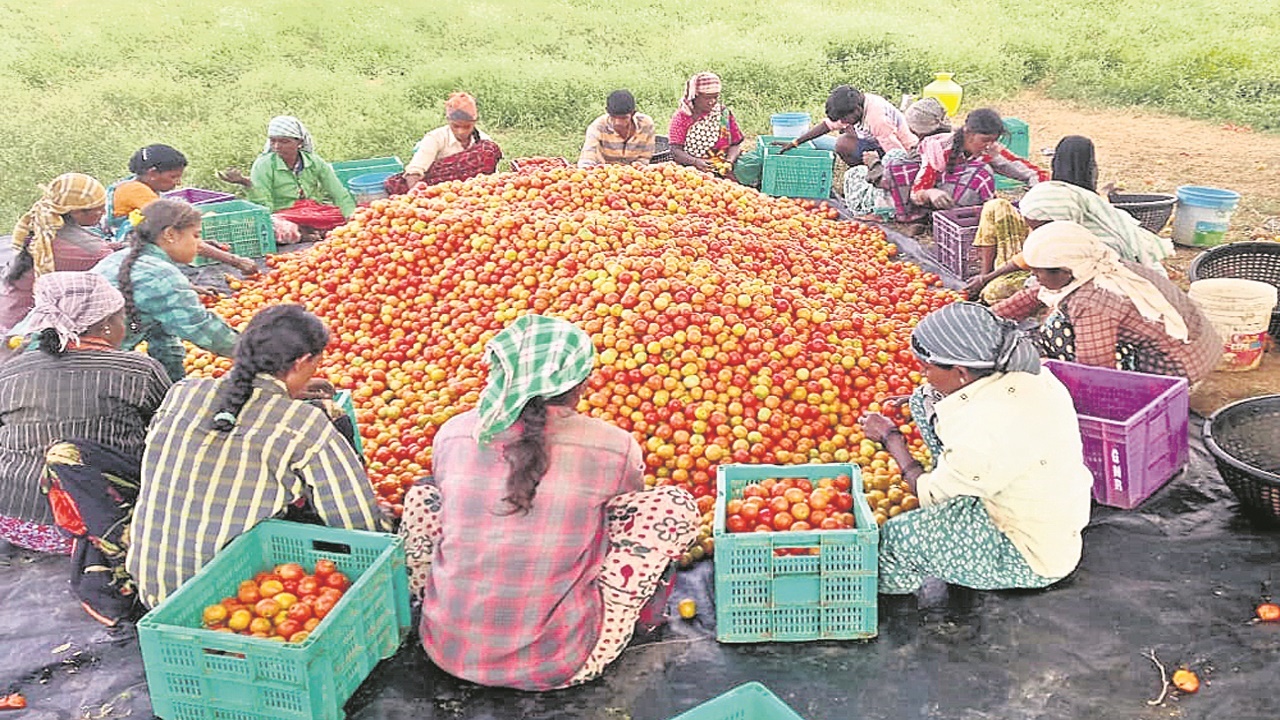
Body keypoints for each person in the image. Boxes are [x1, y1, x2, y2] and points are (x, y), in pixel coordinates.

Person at [403, 314, 698, 691]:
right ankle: (641, 615)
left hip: (447, 649)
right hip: (557, 663)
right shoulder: (613, 445)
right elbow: (629, 505)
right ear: (580, 384)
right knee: (671, 507)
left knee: (424, 495)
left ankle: (433, 605)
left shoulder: (455, 433)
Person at [125, 304, 388, 608]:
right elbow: (358, 526)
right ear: (302, 362)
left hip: (154, 591)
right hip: (235, 604)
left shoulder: (182, 393)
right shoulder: (304, 424)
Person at [859, 302, 1092, 594]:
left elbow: (927, 494)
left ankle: (889, 592)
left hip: (1027, 551)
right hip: (1034, 499)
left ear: (961, 373)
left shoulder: (984, 431)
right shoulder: (1030, 375)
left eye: (927, 368)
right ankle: (957, 487)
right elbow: (943, 403)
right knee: (923, 399)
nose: (922, 374)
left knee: (896, 538)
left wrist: (891, 438)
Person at [0, 272, 169, 624]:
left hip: (15, 520)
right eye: (122, 316)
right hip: (84, 526)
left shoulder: (10, 373)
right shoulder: (138, 370)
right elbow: (169, 435)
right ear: (107, 325)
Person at [992, 221, 1221, 382]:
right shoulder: (1098, 262)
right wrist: (986, 317)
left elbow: (1095, 369)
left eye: (1038, 272)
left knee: (1056, 328)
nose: (1035, 278)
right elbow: (1034, 294)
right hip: (1199, 348)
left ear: (1063, 272)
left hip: (1174, 369)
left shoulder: (1092, 301)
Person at [93, 199, 239, 381]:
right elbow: (204, 329)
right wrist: (265, 356)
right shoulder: (160, 275)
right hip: (95, 371)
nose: (199, 244)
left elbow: (164, 340)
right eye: (195, 235)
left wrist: (173, 387)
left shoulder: (119, 259)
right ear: (170, 234)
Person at [109, 145, 259, 273]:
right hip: (132, 252)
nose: (178, 182)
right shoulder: (136, 191)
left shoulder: (140, 185)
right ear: (152, 173)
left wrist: (200, 241)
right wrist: (236, 261)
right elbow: (178, 231)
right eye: (173, 177)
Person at [883, 108, 1048, 222]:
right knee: (980, 172)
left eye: (993, 140)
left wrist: (1037, 196)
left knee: (981, 170)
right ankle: (925, 219)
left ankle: (973, 219)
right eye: (984, 140)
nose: (990, 145)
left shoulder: (990, 150)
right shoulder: (938, 149)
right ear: (968, 133)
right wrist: (931, 193)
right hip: (936, 200)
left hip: (961, 201)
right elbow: (917, 192)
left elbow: (1031, 171)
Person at [1, 174, 115, 335]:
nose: (104, 212)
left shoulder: (39, 227)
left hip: (8, 313)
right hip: (24, 332)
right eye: (100, 208)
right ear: (76, 212)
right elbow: (111, 262)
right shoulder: (91, 251)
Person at [218, 116, 356, 243]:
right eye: (273, 141)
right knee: (273, 227)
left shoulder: (314, 162)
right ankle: (305, 234)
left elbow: (338, 192)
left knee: (358, 213)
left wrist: (351, 217)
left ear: (299, 143)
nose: (277, 146)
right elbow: (265, 207)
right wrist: (247, 184)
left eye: (284, 141)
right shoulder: (264, 165)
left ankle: (311, 231)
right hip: (283, 214)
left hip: (312, 212)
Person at [402, 93, 504, 188]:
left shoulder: (484, 144)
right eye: (455, 126)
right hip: (437, 192)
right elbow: (414, 171)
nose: (461, 132)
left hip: (474, 193)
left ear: (474, 122)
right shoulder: (435, 138)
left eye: (467, 127)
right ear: (448, 120)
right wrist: (416, 192)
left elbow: (492, 178)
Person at [668, 72, 745, 179]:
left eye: (715, 97)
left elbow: (736, 144)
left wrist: (729, 162)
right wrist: (695, 162)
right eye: (707, 98)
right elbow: (675, 151)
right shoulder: (682, 117)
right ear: (695, 96)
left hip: (722, 170)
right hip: (691, 172)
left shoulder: (723, 113)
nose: (712, 102)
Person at [577, 90, 656, 167]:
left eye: (624, 118)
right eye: (614, 117)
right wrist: (586, 171)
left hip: (634, 174)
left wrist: (634, 171)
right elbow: (588, 155)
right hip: (605, 173)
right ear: (608, 112)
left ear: (632, 114)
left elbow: (645, 157)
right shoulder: (598, 127)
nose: (618, 122)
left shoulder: (646, 125)